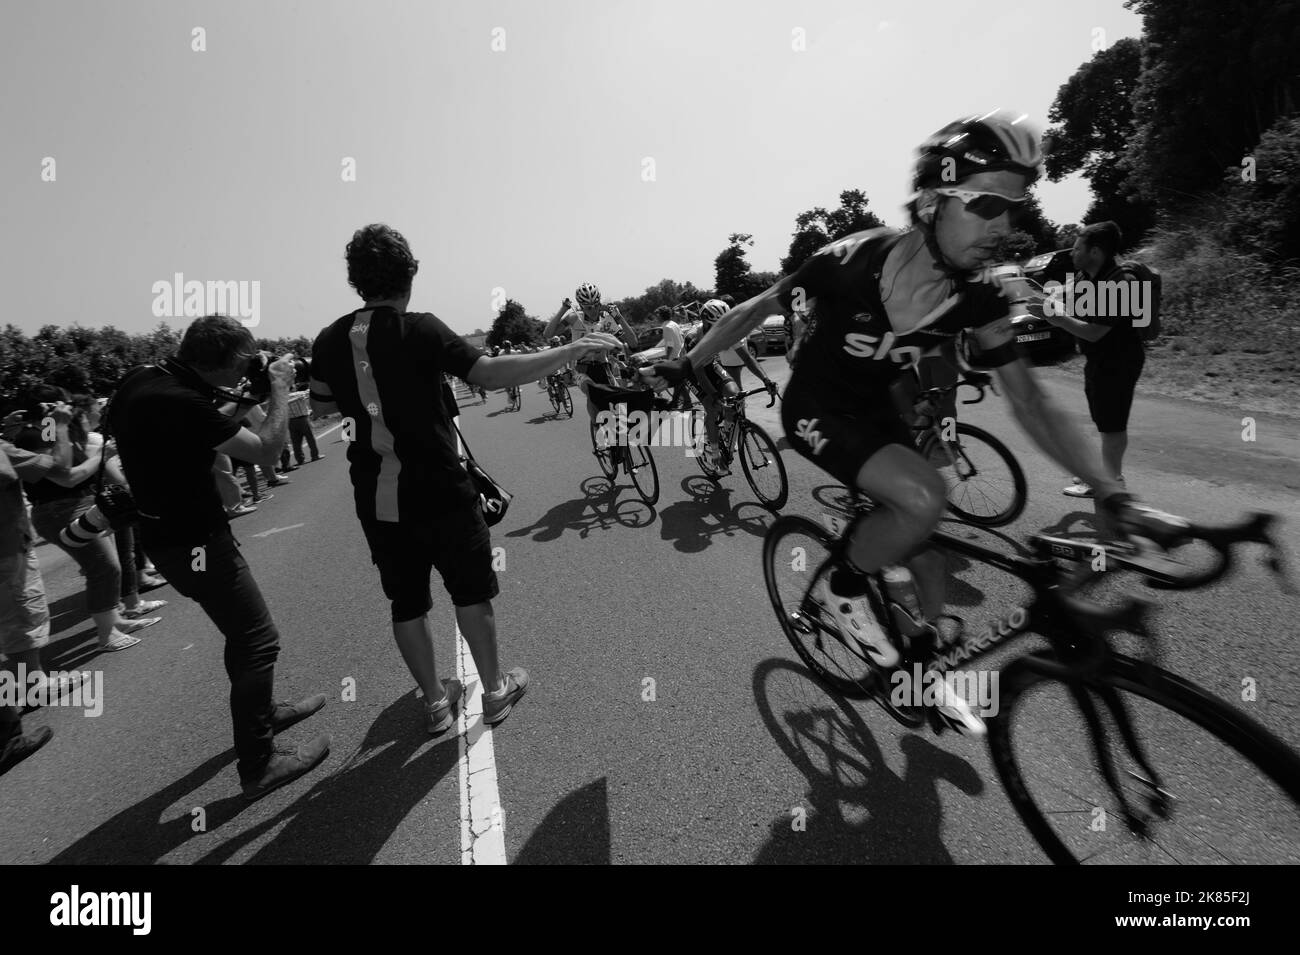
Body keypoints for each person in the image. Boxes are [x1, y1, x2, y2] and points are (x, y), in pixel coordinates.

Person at [646, 111, 1179, 736]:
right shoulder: (850, 262)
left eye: (1014, 208)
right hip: (816, 405)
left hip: (878, 410)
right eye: (985, 205)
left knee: (928, 562)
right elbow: (750, 310)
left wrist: (1111, 490)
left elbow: (1031, 403)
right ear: (930, 202)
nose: (1005, 226)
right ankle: (840, 589)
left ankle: (919, 671)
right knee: (925, 498)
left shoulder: (979, 297)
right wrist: (689, 363)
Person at [309, 224, 618, 734]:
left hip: (378, 496)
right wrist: (571, 351)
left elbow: (321, 404)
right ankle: (494, 691)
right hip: (440, 488)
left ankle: (434, 703)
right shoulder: (421, 328)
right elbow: (490, 374)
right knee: (471, 592)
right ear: (409, 274)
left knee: (406, 601)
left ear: (355, 281)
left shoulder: (327, 339)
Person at [109, 315, 330, 801]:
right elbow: (268, 450)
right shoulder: (180, 400)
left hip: (167, 537)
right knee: (258, 640)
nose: (249, 368)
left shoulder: (144, 380)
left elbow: (201, 431)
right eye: (245, 363)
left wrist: (247, 394)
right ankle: (259, 762)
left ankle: (265, 713)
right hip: (194, 542)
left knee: (241, 634)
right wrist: (275, 387)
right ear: (229, 360)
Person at [12, 386, 159, 652]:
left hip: (76, 505)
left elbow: (62, 466)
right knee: (104, 568)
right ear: (49, 405)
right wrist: (101, 455)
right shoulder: (35, 434)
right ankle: (107, 635)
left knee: (109, 565)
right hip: (61, 510)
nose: (71, 408)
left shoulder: (46, 431)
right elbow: (66, 474)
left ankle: (115, 621)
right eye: (65, 403)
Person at [1040, 221, 1145, 499]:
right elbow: (1078, 312)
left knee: (1113, 425)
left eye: (1077, 248)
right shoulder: (1088, 278)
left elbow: (1094, 331)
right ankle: (1107, 475)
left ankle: (1110, 485)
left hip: (1119, 361)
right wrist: (1049, 308)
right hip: (1098, 360)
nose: (1072, 254)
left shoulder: (1122, 283)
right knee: (1104, 420)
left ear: (1095, 252)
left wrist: (1054, 317)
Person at [684, 300, 778, 471]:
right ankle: (714, 453)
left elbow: (748, 358)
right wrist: (714, 396)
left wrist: (766, 380)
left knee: (736, 395)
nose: (722, 328)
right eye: (717, 325)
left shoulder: (727, 331)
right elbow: (699, 373)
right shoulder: (693, 336)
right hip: (693, 372)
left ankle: (727, 431)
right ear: (705, 321)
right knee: (712, 407)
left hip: (712, 365)